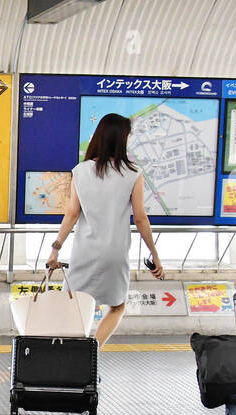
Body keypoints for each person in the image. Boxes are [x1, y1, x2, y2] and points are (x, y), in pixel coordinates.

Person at [46, 113, 164, 345]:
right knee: (117, 307)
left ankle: (71, 357)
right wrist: (155, 256)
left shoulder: (80, 171)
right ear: (121, 139)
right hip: (115, 254)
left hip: (84, 253)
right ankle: (92, 355)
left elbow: (71, 213)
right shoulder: (133, 173)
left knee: (75, 307)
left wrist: (55, 249)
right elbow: (140, 219)